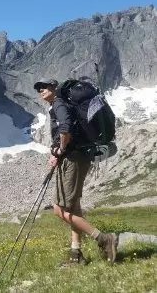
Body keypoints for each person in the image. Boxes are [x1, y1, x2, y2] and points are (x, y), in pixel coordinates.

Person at [33, 78, 118, 265]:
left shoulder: (59, 104)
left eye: (45, 86)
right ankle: (76, 253)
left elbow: (65, 128)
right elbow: (67, 131)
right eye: (39, 88)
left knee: (59, 209)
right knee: (74, 206)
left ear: (55, 88)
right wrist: (58, 150)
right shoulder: (65, 104)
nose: (41, 90)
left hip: (73, 158)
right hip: (77, 157)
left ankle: (103, 238)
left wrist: (61, 149)